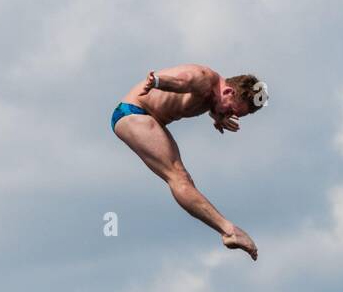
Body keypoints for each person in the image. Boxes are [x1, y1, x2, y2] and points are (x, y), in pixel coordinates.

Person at [111, 65, 266, 260]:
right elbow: (183, 81)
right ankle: (228, 230)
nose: (228, 116)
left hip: (147, 118)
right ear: (228, 91)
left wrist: (217, 115)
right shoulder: (202, 79)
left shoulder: (214, 96)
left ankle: (227, 230)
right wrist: (158, 81)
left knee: (183, 178)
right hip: (133, 113)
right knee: (178, 177)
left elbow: (204, 101)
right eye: (230, 111)